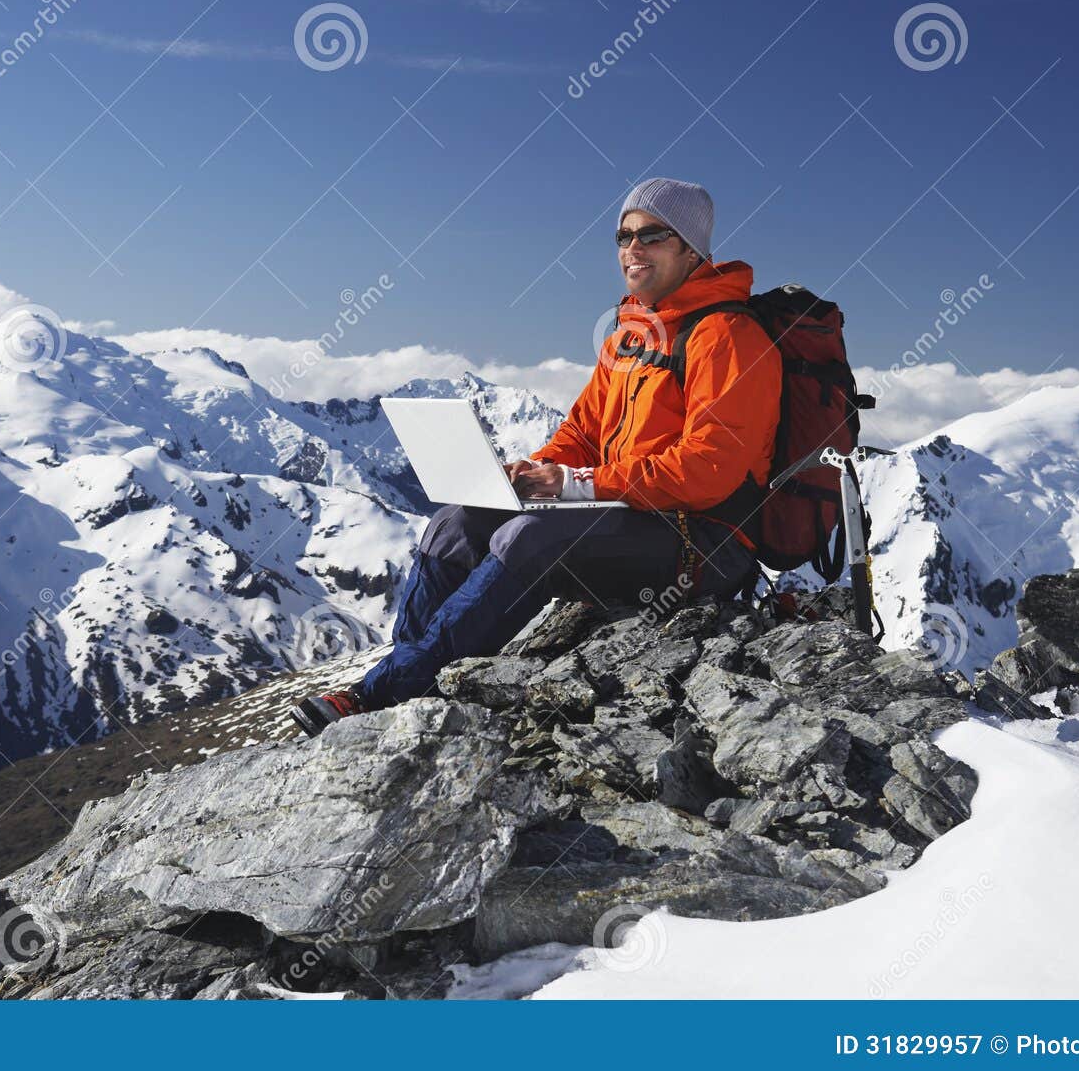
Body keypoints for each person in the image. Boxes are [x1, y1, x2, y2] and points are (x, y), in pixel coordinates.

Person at [291, 177, 782, 737]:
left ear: (692, 249)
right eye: (623, 235)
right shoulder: (631, 336)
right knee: (454, 524)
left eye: (652, 235)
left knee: (529, 539)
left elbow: (709, 470)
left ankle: (382, 694)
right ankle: (414, 677)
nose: (632, 250)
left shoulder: (729, 337)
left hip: (700, 543)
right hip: (628, 518)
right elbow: (582, 431)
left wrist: (577, 485)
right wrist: (535, 472)